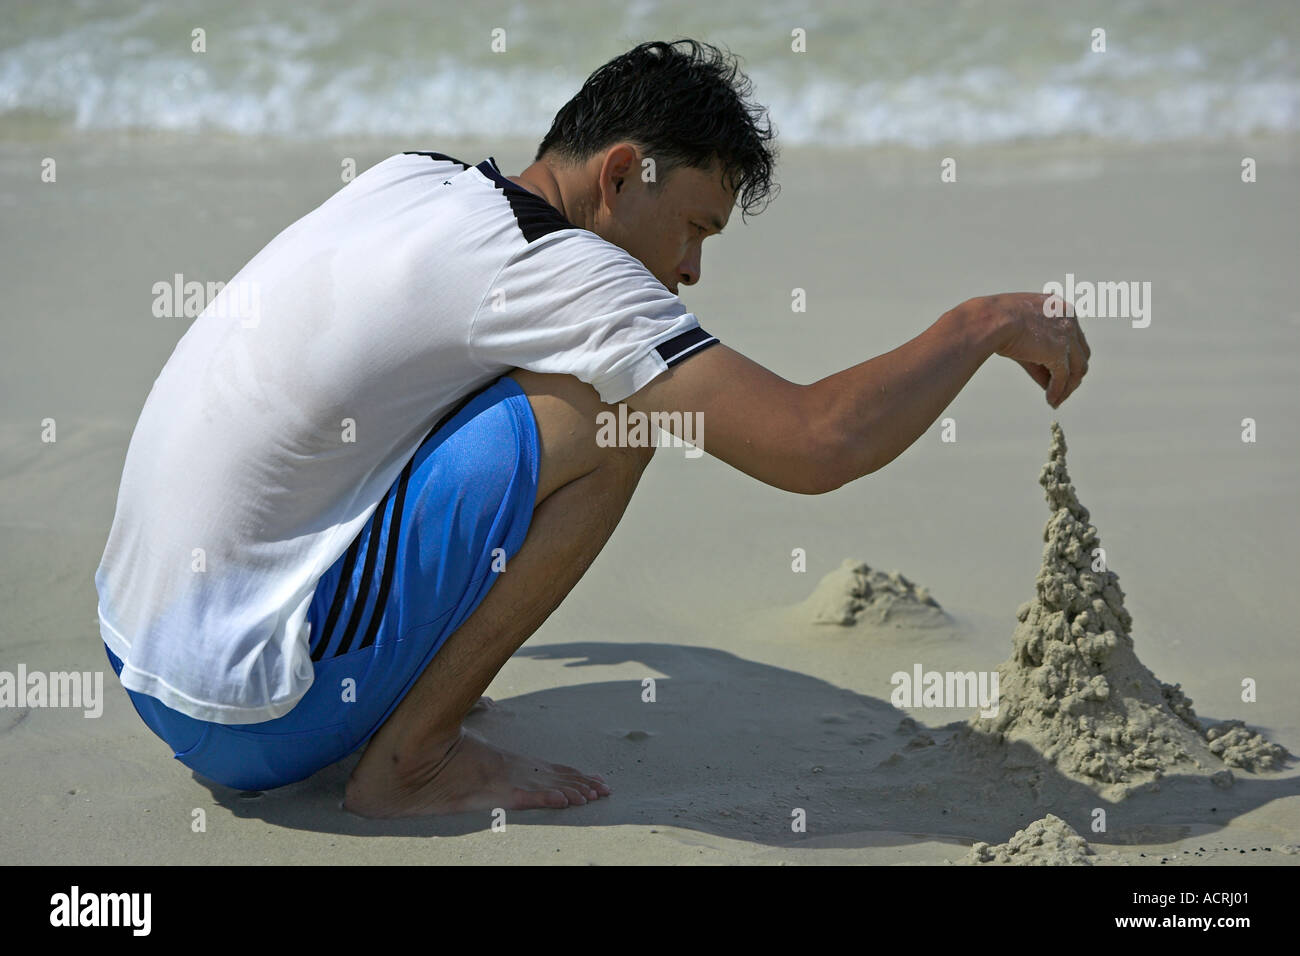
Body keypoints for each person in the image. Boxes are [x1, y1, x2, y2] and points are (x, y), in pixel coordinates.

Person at [95, 39, 1088, 818]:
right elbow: (812, 441)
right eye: (695, 226)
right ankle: (411, 761)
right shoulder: (563, 269)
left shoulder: (411, 181)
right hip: (248, 703)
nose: (691, 270)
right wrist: (977, 325)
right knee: (624, 410)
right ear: (620, 175)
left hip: (134, 642)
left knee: (520, 382)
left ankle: (387, 677)